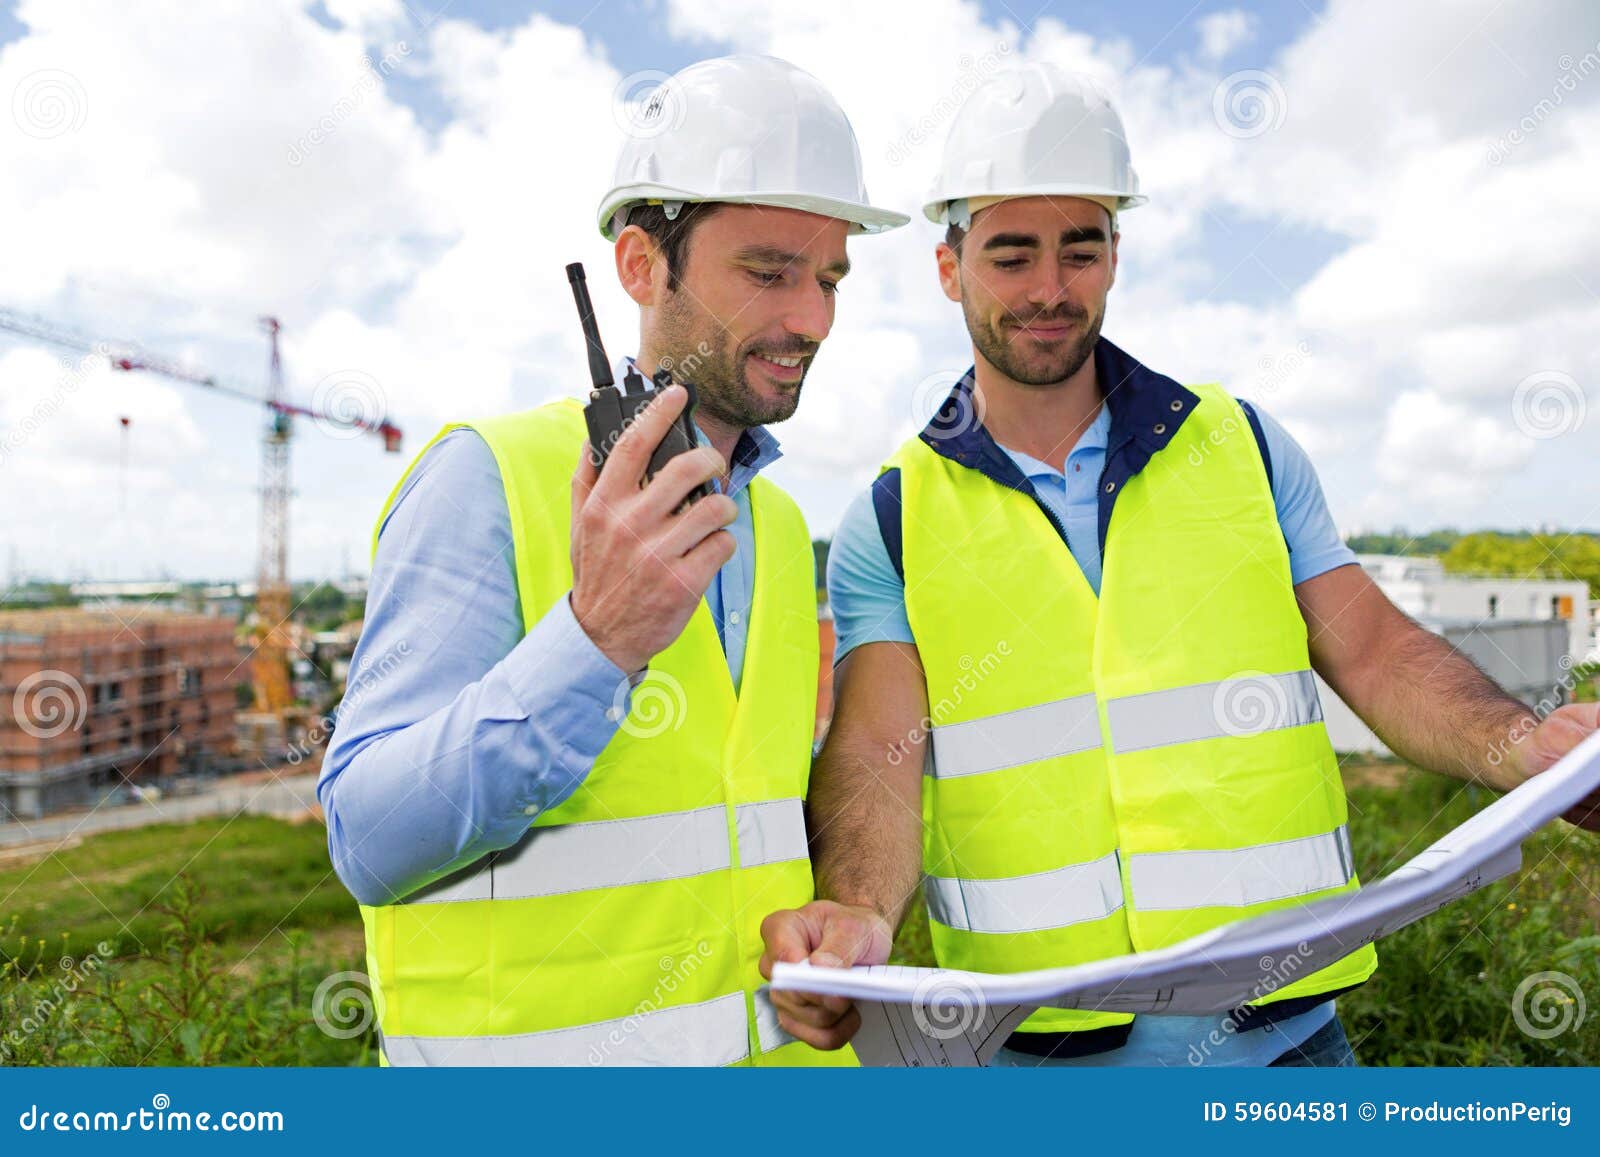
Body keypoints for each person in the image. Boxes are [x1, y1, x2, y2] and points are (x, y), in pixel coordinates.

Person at [760, 62, 1600, 1067]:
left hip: (1285, 1044)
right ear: (949, 267)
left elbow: (1373, 652)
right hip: (1045, 1069)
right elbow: (875, 755)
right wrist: (855, 907)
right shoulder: (891, 518)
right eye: (1011, 254)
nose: (1048, 289)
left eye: (1081, 249)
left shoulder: (1238, 444)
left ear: (1115, 255)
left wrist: (1525, 746)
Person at [320, 54, 907, 1066]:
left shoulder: (772, 525)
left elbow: (727, 835)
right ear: (640, 267)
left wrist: (823, 925)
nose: (810, 319)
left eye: (828, 279)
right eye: (768, 271)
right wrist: (593, 643)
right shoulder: (484, 478)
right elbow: (370, 839)